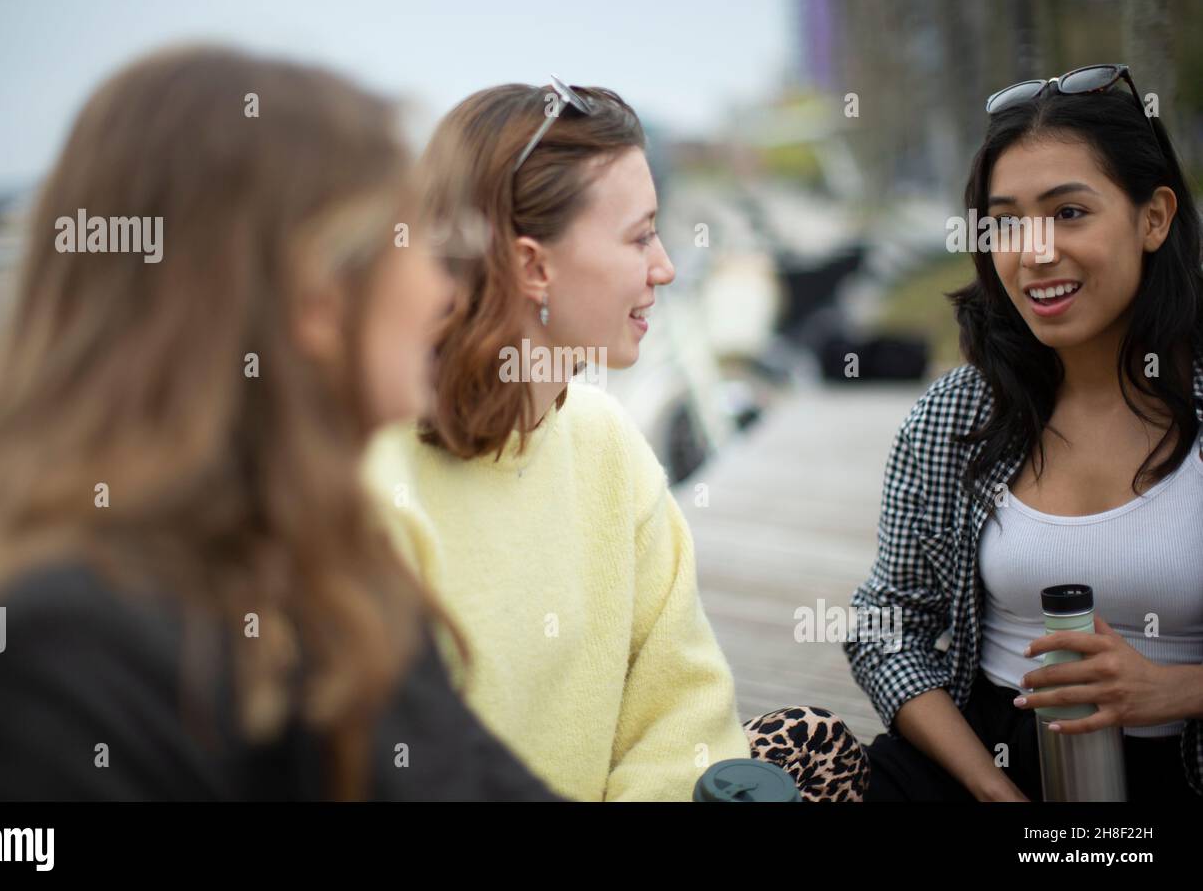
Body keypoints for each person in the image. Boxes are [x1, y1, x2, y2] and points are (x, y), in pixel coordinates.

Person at [0, 45, 563, 801]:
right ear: (318, 294)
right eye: (420, 246)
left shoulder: (325, 560)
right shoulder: (50, 666)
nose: (448, 290)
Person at [368, 78, 869, 801]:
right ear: (534, 266)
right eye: (640, 237)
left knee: (819, 742)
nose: (665, 267)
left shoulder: (606, 441)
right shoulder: (379, 486)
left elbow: (683, 710)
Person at [846, 64, 1203, 801]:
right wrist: (989, 788)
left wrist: (1176, 690)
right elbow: (886, 626)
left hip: (1181, 768)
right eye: (1006, 221)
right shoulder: (959, 412)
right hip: (993, 761)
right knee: (785, 748)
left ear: (1154, 217)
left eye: (1069, 212)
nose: (1034, 252)